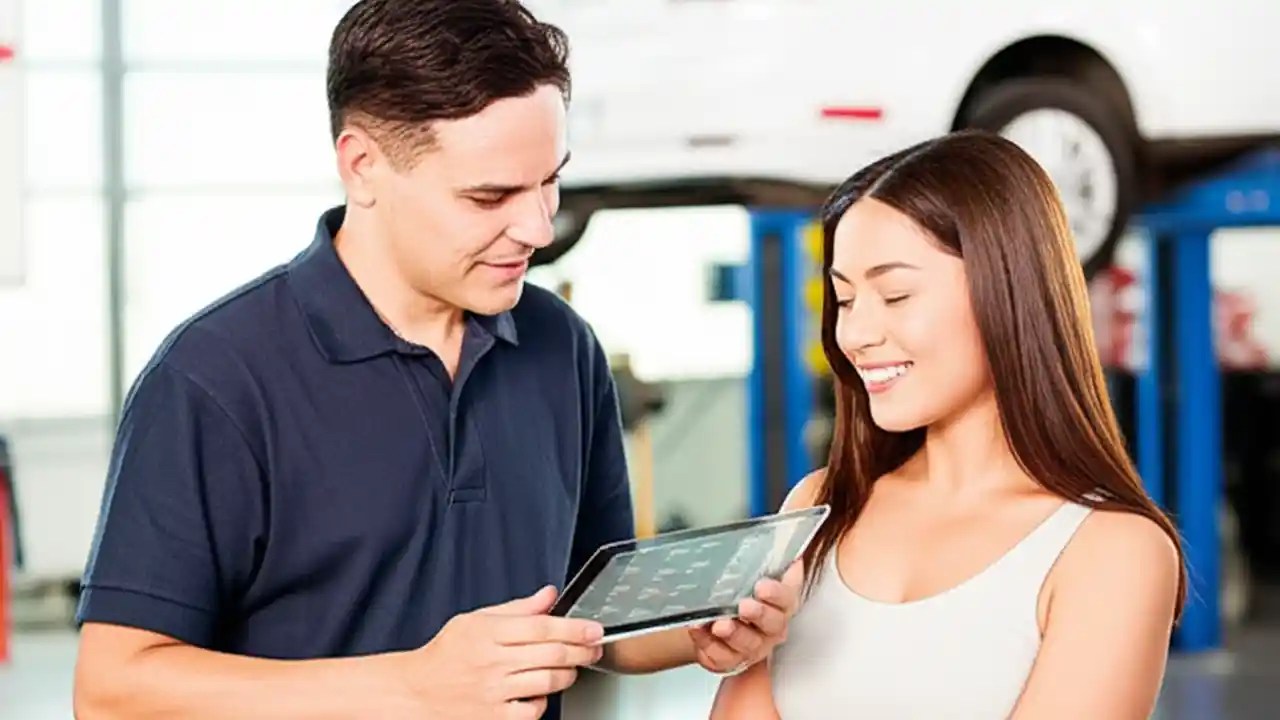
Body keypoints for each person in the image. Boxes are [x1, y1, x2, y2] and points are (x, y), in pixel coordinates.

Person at [71, 2, 801, 718]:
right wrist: (412, 689)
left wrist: (702, 627)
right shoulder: (216, 381)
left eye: (551, 181)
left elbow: (591, 615)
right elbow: (113, 691)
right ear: (363, 167)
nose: (539, 227)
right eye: (491, 196)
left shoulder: (561, 348)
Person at [709, 130, 1186, 720]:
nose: (855, 334)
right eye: (846, 299)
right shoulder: (820, 507)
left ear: (1007, 292)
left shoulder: (1112, 551)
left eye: (896, 294)